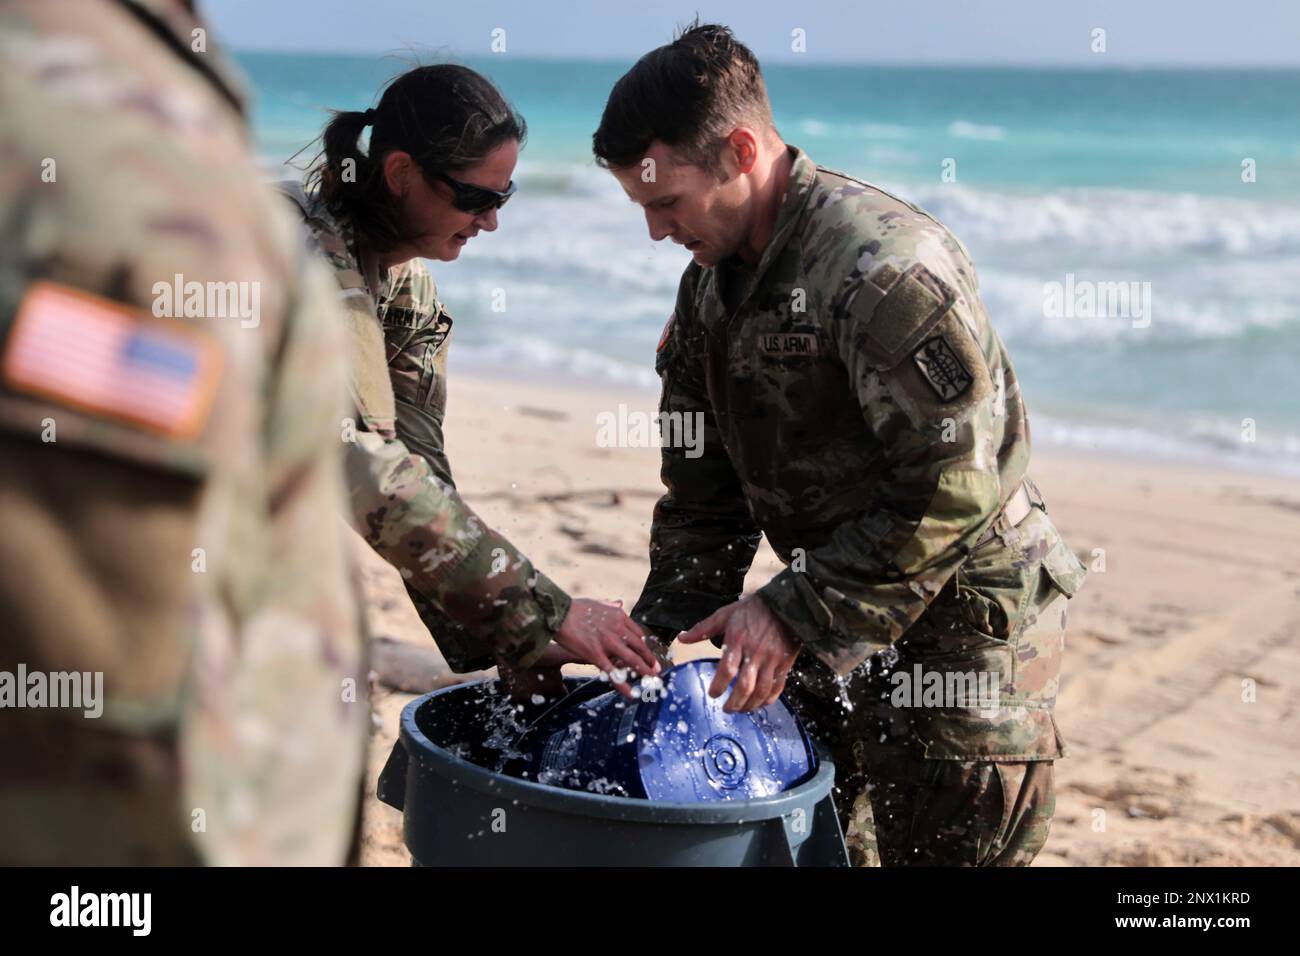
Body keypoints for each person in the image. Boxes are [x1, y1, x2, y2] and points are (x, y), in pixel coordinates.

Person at [594, 22, 1087, 866]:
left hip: (965, 620)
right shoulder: (712, 284)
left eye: (665, 204)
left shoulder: (884, 270)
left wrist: (788, 613)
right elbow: (704, 492)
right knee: (820, 844)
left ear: (739, 150)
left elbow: (954, 487)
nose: (655, 232)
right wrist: (658, 644)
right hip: (835, 604)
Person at [0, 0, 368, 864]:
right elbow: (95, 745)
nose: (491, 218)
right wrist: (523, 611)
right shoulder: (111, 155)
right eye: (477, 195)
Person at [279, 65, 658, 698]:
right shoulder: (296, 252)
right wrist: (546, 613)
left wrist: (509, 638)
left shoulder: (406, 292)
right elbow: (367, 472)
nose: (490, 222)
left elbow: (418, 474)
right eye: (476, 198)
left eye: (502, 198)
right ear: (401, 174)